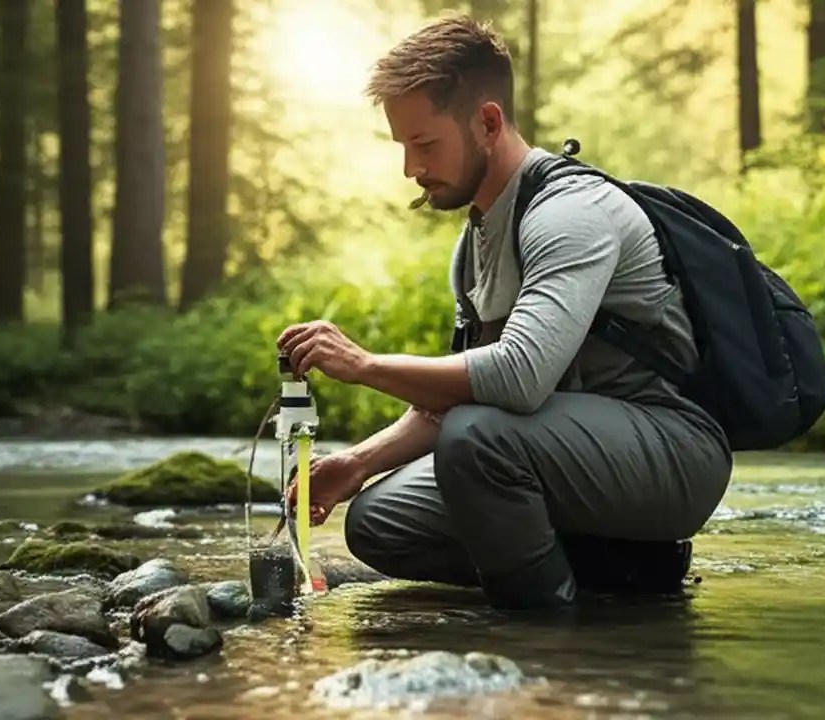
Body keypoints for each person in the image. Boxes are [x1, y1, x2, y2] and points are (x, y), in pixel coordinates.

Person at [276, 14, 732, 611]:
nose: (411, 168)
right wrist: (356, 463)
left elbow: (517, 380)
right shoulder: (477, 242)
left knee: (478, 438)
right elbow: (466, 391)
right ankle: (621, 577)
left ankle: (542, 628)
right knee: (379, 521)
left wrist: (362, 365)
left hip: (670, 451)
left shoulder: (570, 214)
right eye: (403, 146)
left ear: (488, 121)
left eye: (425, 144)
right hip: (562, 450)